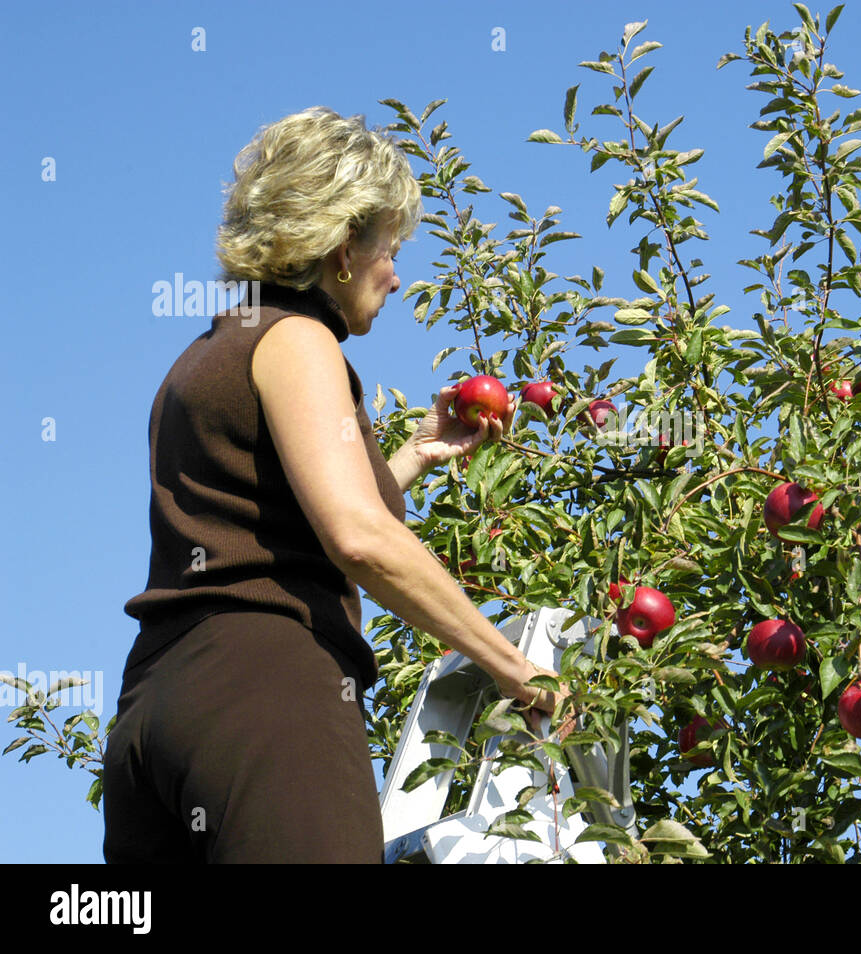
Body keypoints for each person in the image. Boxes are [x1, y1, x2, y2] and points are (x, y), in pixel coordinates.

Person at [103, 106, 565, 863]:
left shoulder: (205, 357)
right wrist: (516, 669)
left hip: (152, 714)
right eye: (391, 246)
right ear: (344, 246)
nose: (396, 271)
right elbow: (357, 536)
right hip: (265, 695)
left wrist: (413, 455)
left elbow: (280, 506)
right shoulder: (298, 338)